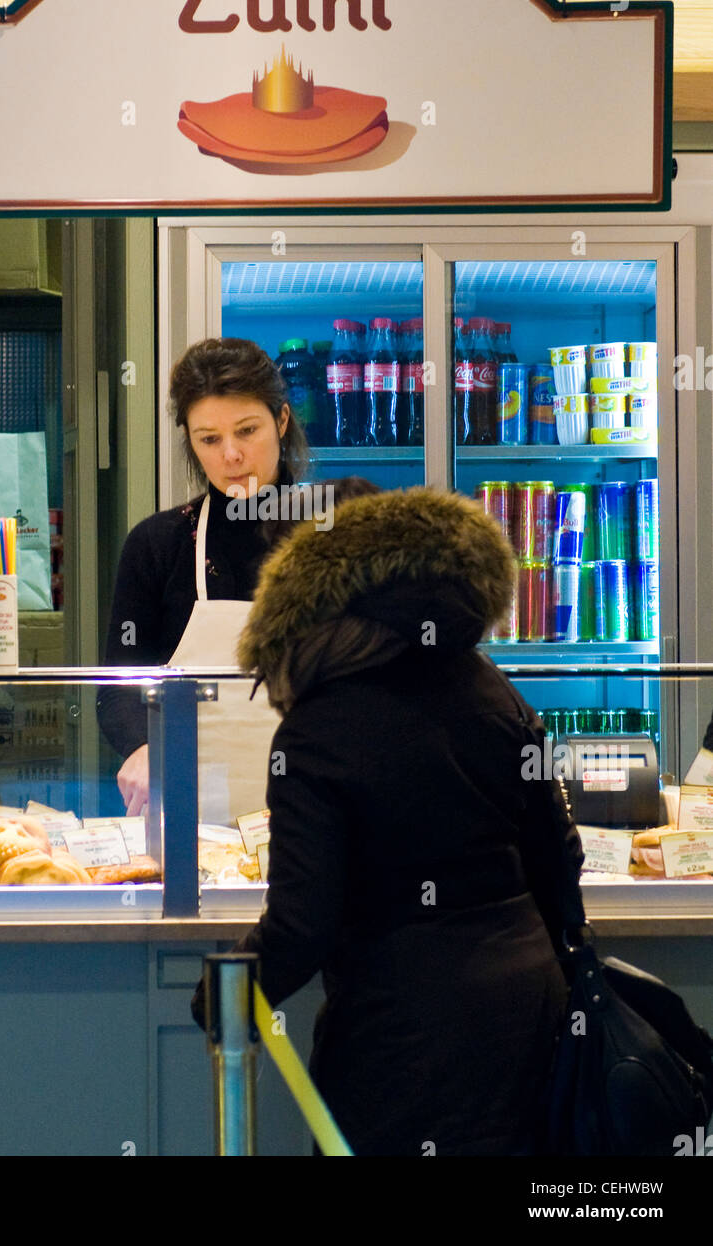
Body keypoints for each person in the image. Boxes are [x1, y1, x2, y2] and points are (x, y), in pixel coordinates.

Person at [192, 486, 585, 1156]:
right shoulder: (491, 688)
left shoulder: (319, 729)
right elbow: (558, 855)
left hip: (399, 1029)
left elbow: (303, 922)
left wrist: (228, 990)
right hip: (526, 1008)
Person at [96, 332, 378, 823]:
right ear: (190, 440)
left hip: (326, 804)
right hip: (192, 815)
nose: (231, 455)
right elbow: (120, 685)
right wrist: (141, 747)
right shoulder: (158, 544)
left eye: (247, 431)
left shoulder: (342, 524)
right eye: (209, 439)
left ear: (282, 420)